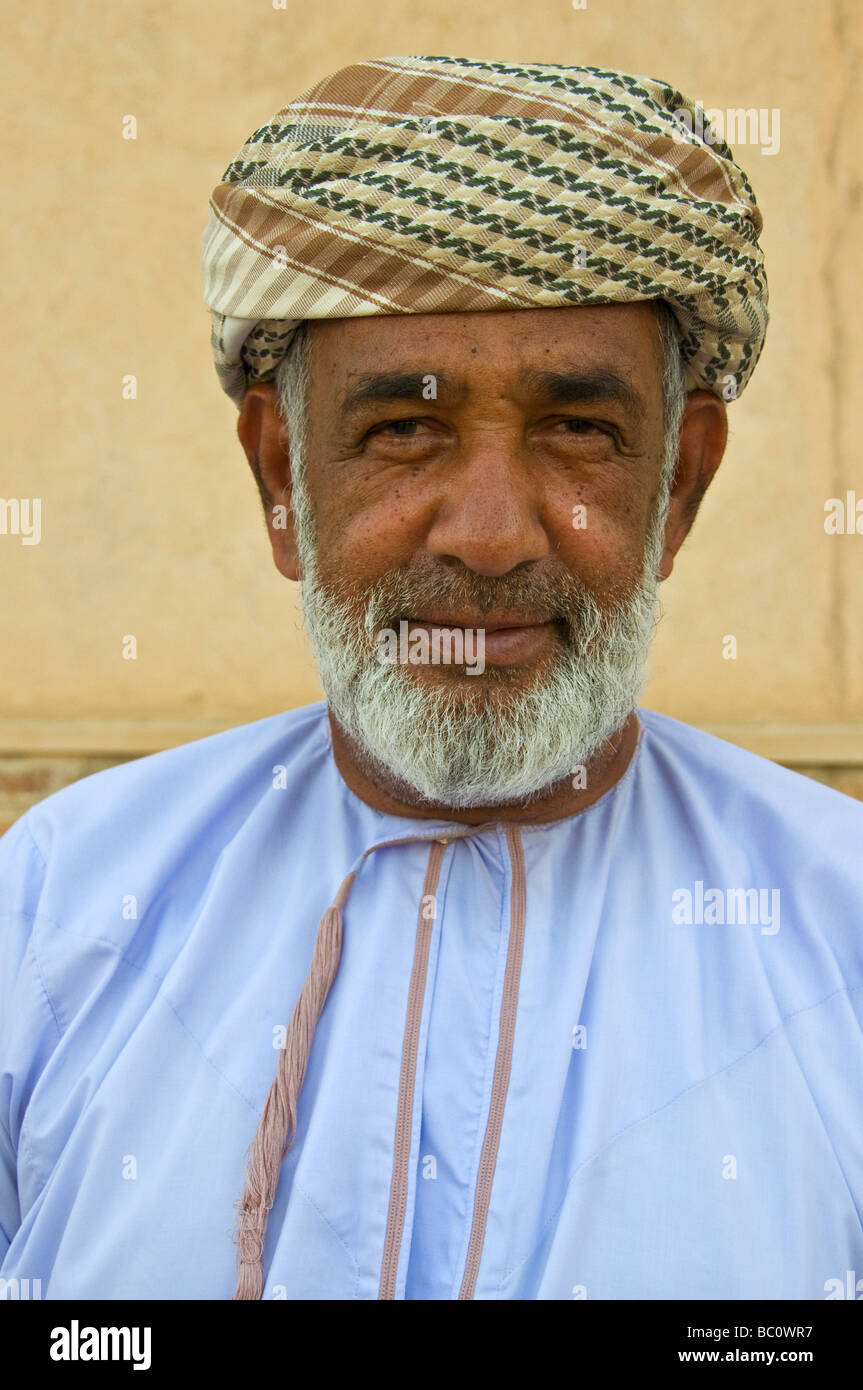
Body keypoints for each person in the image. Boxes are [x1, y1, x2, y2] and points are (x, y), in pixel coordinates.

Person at [1, 55, 861, 1302]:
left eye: (577, 429)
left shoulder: (838, 932)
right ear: (280, 478)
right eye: (403, 430)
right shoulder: (54, 910)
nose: (489, 532)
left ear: (675, 486)